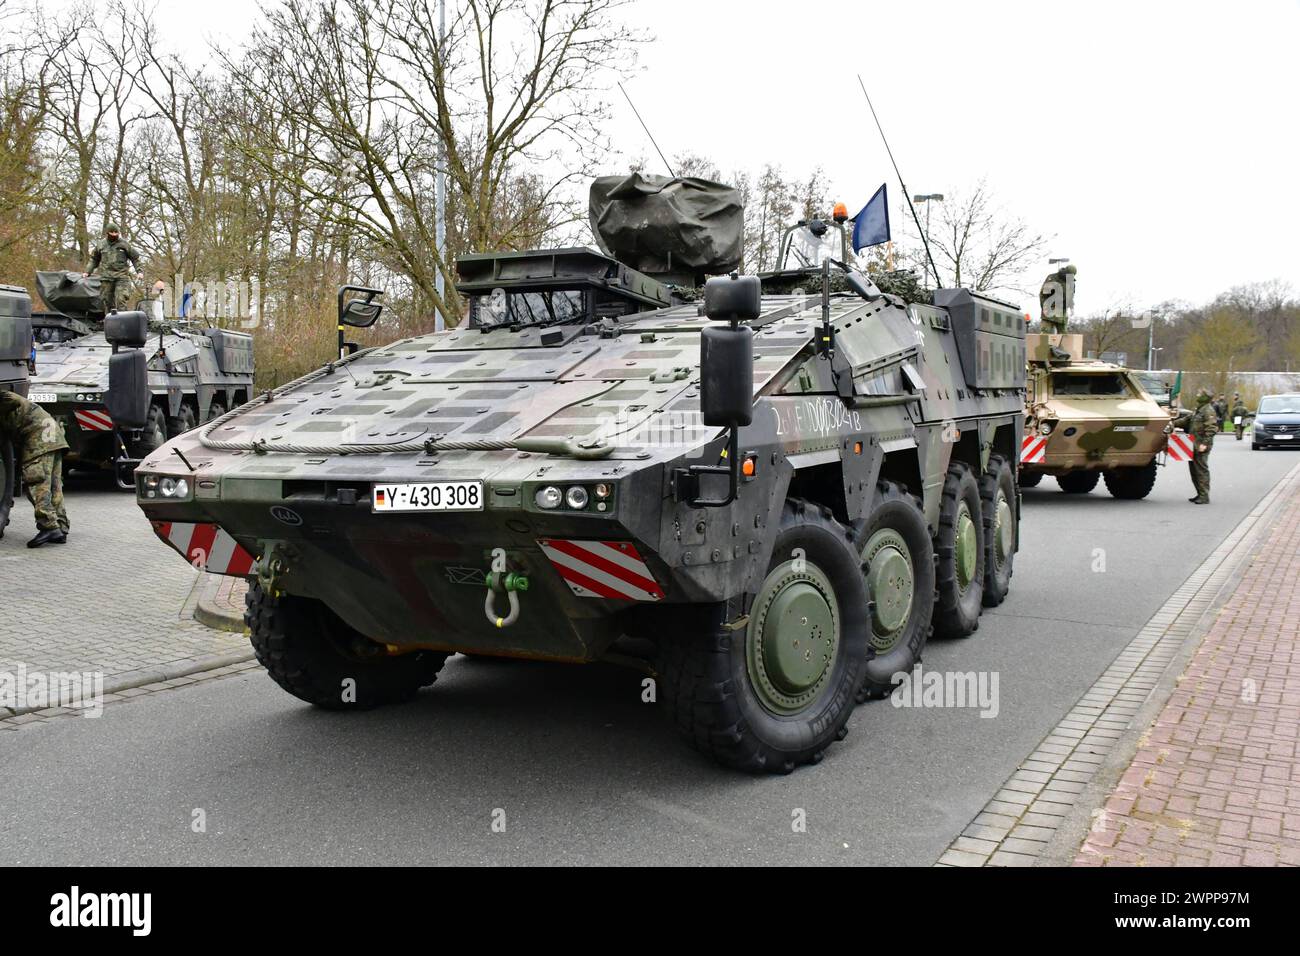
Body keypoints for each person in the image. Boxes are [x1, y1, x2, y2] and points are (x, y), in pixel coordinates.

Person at [0, 390, 70, 547]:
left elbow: (11, 399)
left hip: (40, 440)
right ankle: (60, 527)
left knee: (38, 484)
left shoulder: (5, 398)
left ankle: (49, 526)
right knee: (54, 485)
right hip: (53, 438)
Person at [1173, 388, 1218, 505]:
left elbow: (1212, 428)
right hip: (1192, 444)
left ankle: (1204, 496)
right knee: (1193, 470)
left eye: (1199, 394)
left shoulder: (1208, 411)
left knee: (1201, 471)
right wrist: (1172, 423)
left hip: (1201, 445)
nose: (1197, 395)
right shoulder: (1198, 410)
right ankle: (1199, 493)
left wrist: (1205, 443)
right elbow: (1187, 420)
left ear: (1205, 397)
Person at [85, 223, 141, 314]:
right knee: (107, 301)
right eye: (112, 232)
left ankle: (123, 322)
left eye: (116, 232)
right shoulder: (101, 245)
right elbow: (94, 259)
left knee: (121, 300)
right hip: (106, 277)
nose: (114, 234)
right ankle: (110, 323)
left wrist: (139, 271)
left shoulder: (124, 244)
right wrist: (87, 271)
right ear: (107, 233)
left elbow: (135, 258)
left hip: (121, 277)